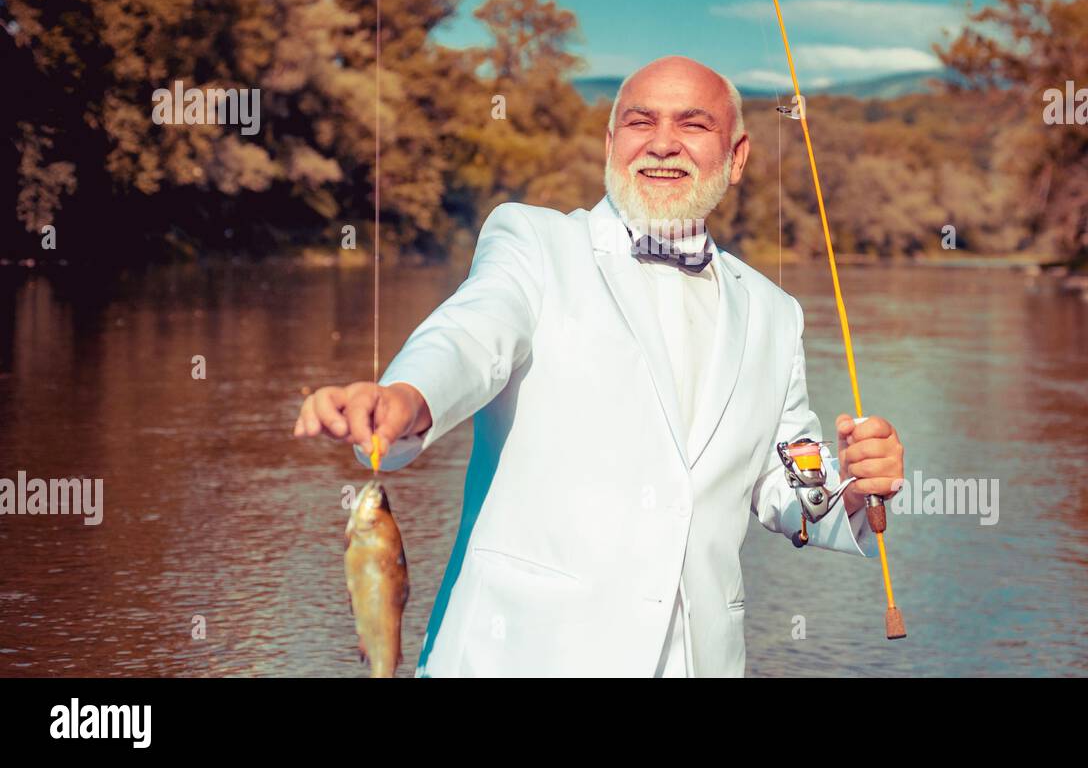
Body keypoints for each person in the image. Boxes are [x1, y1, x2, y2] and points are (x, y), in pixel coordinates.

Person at [293, 55, 906, 676]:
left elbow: (787, 473)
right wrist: (408, 395)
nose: (662, 144)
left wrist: (850, 485)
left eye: (693, 125)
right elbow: (472, 335)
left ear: (737, 156)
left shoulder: (776, 313)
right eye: (641, 122)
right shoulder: (534, 243)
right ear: (611, 144)